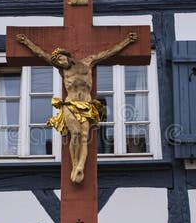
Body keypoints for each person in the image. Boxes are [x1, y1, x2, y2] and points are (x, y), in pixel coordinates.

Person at [15, 32, 138, 183]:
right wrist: (26, 42)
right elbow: (41, 54)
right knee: (76, 134)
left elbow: (109, 52)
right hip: (70, 105)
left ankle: (80, 166)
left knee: (84, 137)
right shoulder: (63, 71)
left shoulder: (89, 62)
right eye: (56, 62)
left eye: (60, 58)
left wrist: (127, 41)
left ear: (66, 55)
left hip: (86, 105)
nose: (59, 62)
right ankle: (74, 165)